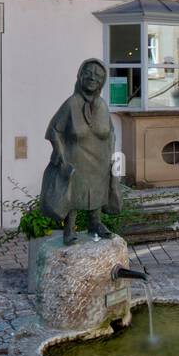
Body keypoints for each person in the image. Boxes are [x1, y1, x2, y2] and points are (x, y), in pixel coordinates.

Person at [40, 58, 122, 244]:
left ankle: (96, 223)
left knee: (98, 190)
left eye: (98, 75)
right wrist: (60, 155)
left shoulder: (102, 105)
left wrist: (112, 157)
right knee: (74, 192)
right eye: (88, 73)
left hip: (100, 161)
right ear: (80, 76)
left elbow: (110, 132)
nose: (93, 77)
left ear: (103, 81)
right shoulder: (71, 104)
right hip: (75, 158)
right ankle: (69, 228)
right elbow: (53, 130)